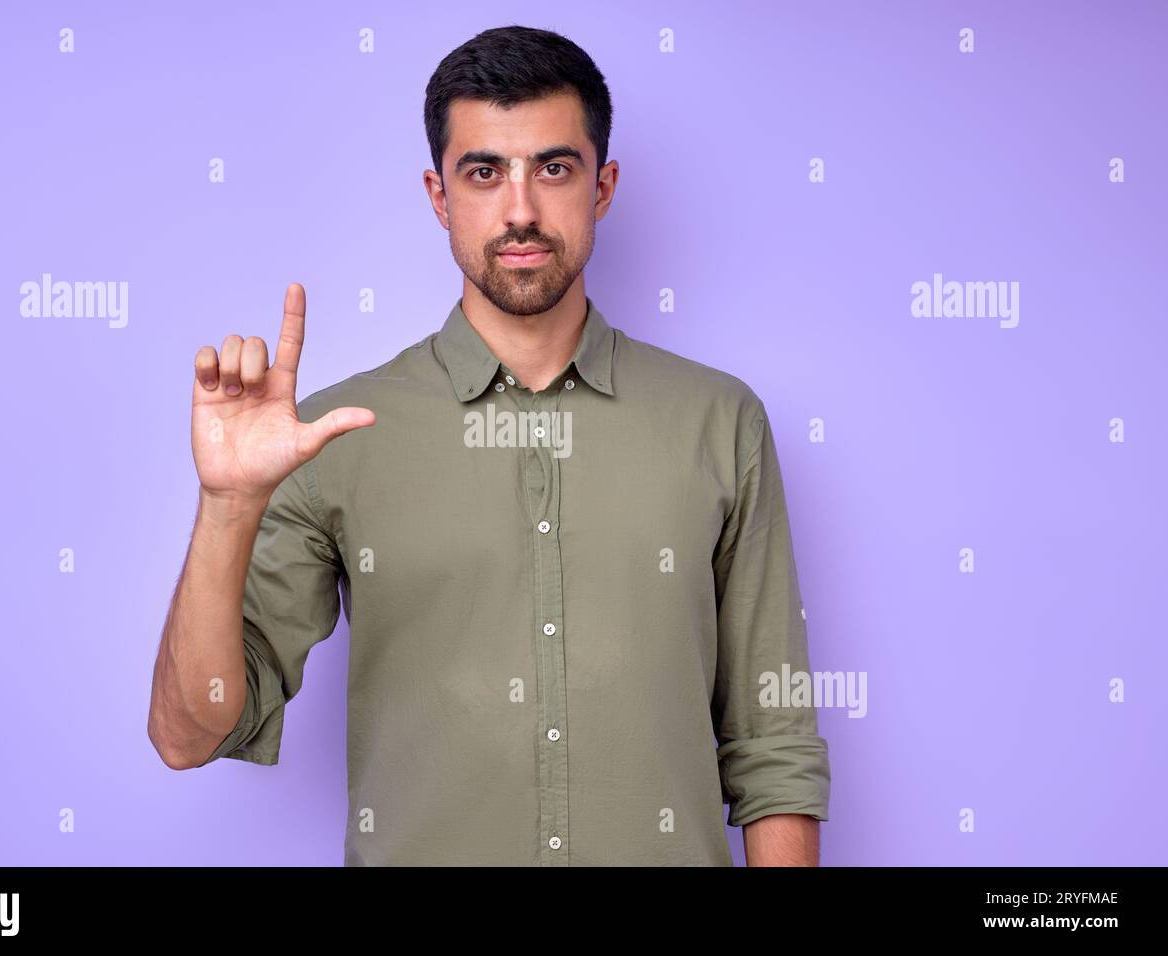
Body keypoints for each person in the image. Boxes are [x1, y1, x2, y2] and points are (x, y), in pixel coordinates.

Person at [147, 24, 830, 866]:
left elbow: (776, 747)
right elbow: (189, 732)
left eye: (553, 167)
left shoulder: (720, 422)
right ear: (438, 196)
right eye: (484, 172)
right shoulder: (331, 438)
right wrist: (225, 506)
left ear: (602, 185)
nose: (520, 210)